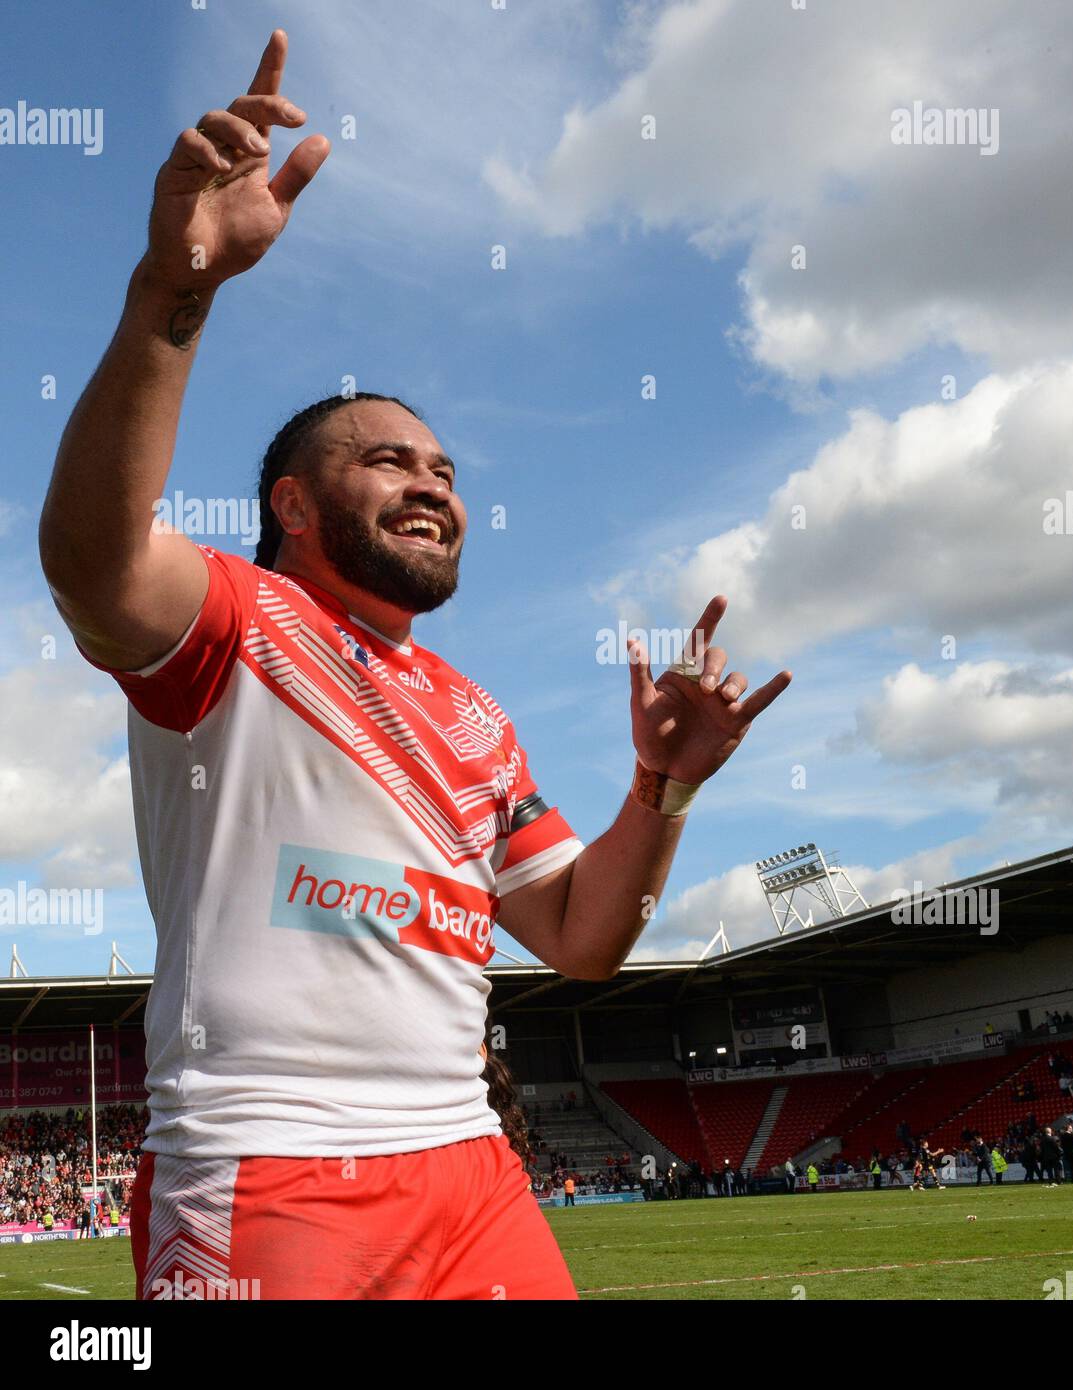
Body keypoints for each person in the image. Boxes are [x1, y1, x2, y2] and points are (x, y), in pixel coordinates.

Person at [40, 30, 793, 1305]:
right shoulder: (238, 618)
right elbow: (93, 558)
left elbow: (580, 938)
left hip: (472, 1169)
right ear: (290, 501)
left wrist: (660, 789)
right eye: (388, 460)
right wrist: (175, 291)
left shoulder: (474, 715)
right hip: (267, 1170)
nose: (432, 483)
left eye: (445, 470)